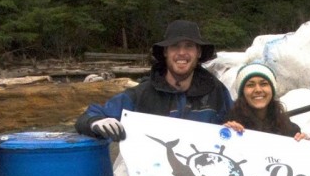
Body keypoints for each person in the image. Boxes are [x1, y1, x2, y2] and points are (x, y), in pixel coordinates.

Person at [75, 20, 232, 140]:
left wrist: (235, 128)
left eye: (189, 46)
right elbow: (88, 116)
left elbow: (239, 124)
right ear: (165, 52)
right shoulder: (141, 94)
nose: (182, 52)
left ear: (199, 52)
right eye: (175, 46)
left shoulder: (216, 91)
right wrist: (95, 122)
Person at [223, 62, 305, 140]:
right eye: (250, 85)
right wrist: (225, 134)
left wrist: (306, 144)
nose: (258, 90)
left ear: (272, 90)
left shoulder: (288, 128)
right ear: (242, 92)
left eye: (263, 84)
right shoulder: (230, 125)